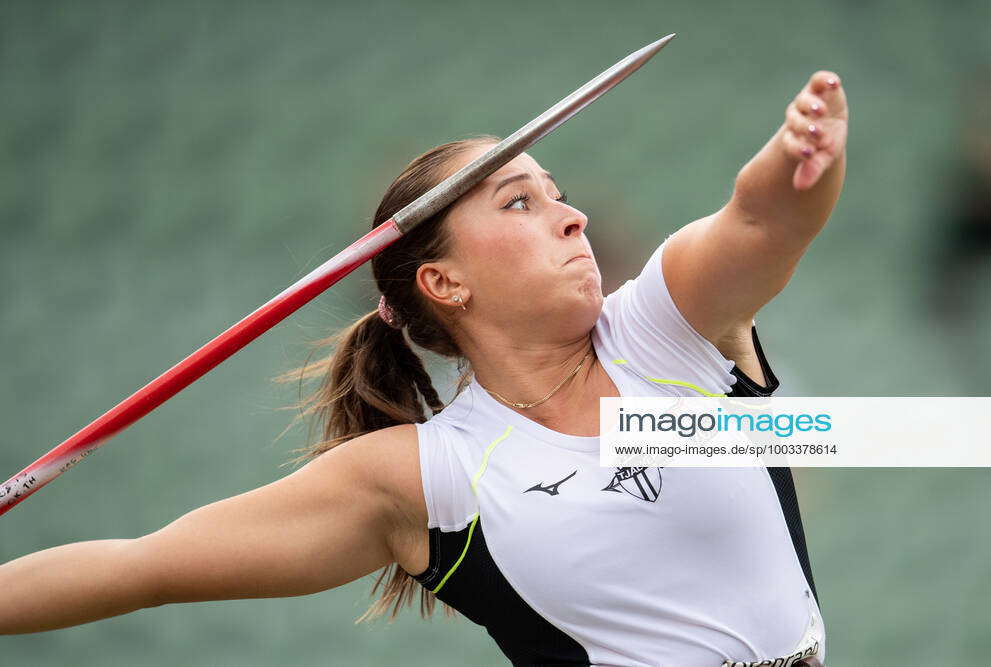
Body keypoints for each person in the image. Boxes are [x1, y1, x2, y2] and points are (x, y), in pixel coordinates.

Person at [0, 70, 848, 667]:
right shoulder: (426, 477)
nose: (573, 216)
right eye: (521, 201)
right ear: (446, 282)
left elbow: (763, 221)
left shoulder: (664, 331)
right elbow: (139, 567)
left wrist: (799, 157)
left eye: (557, 192)